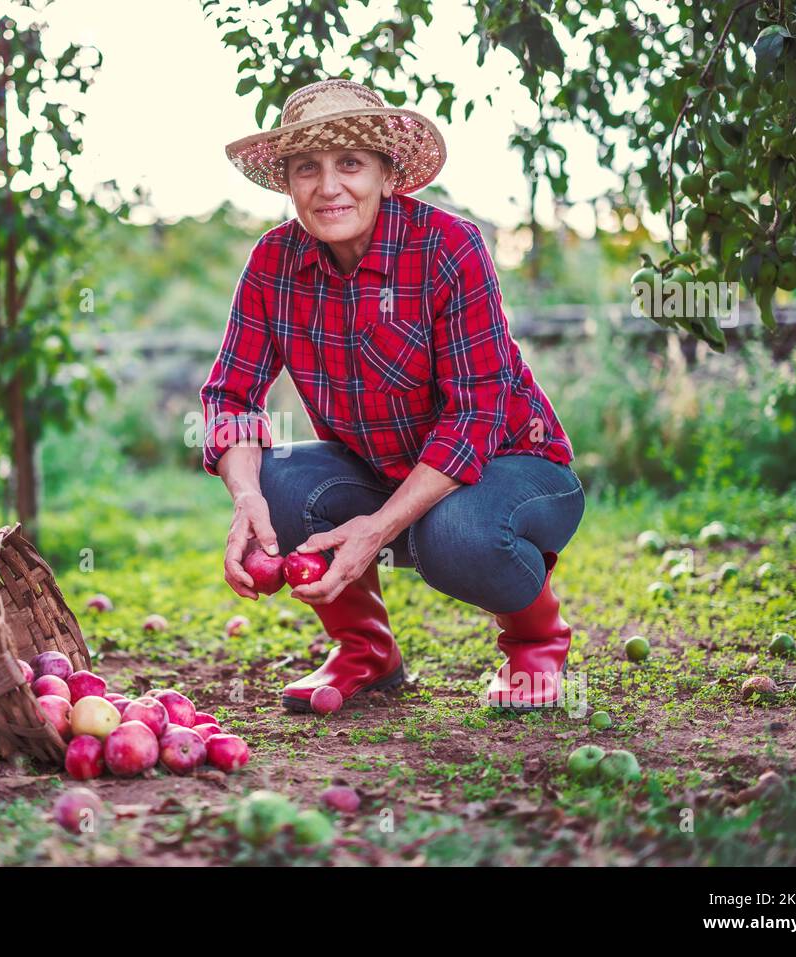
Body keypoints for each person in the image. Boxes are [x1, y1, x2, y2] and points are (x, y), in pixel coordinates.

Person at [200, 77, 584, 712]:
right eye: (307, 168)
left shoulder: (448, 247)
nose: (328, 187)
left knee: (455, 535)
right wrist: (245, 499)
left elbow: (474, 417)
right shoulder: (272, 263)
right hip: (385, 470)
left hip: (515, 467)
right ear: (288, 184)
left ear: (386, 172)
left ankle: (536, 638)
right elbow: (231, 397)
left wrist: (376, 528)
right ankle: (366, 651)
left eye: (349, 163)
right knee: (276, 479)